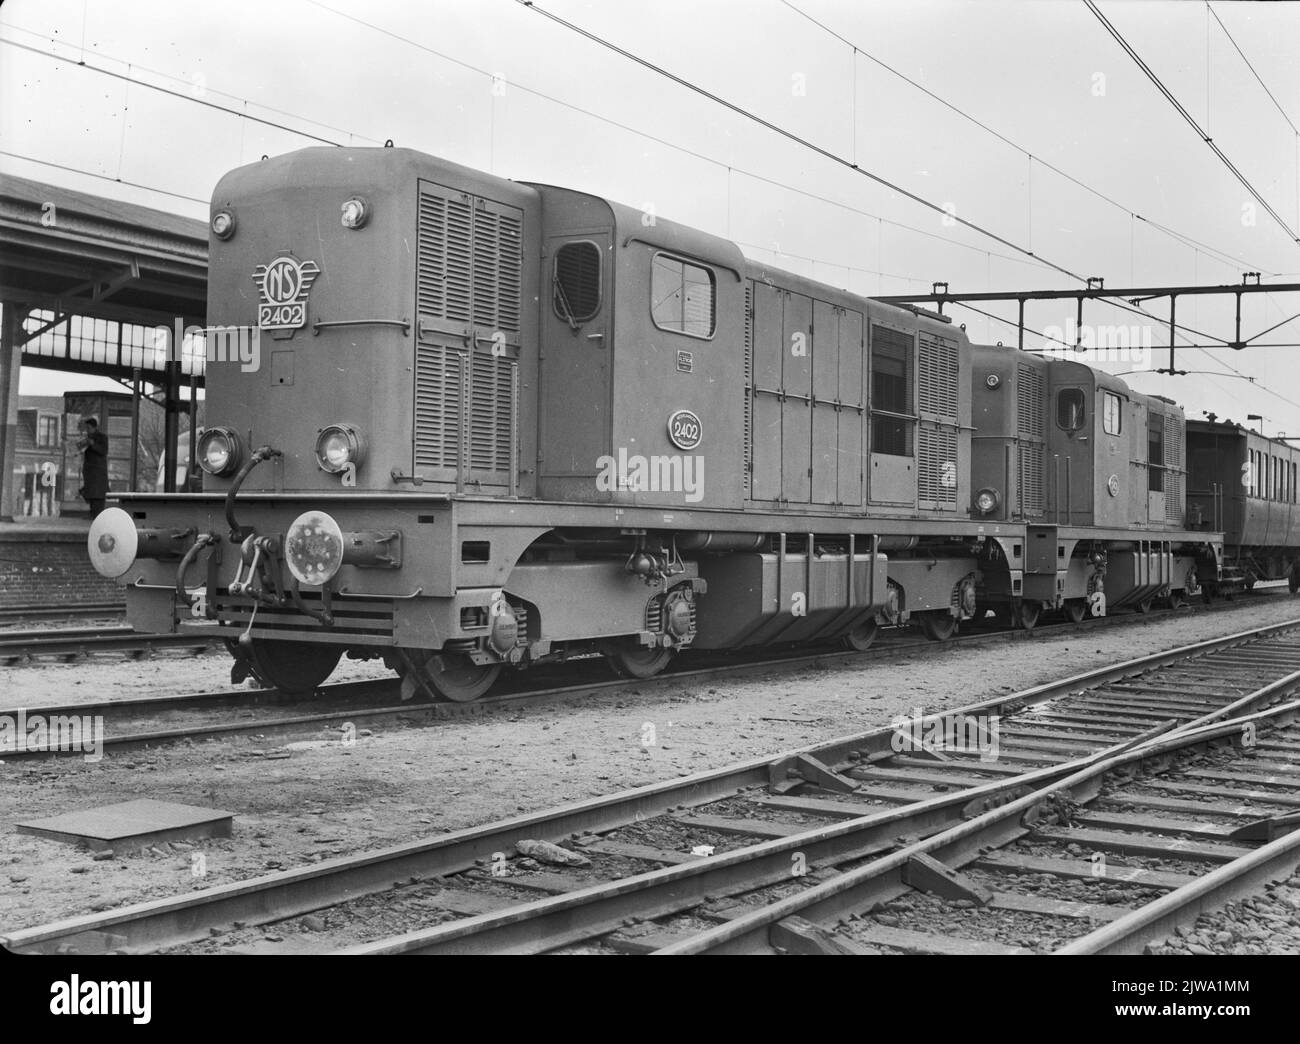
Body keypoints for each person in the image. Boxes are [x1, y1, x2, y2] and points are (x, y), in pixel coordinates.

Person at [76, 416, 109, 518]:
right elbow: (80, 449)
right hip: (89, 470)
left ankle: (97, 514)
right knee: (90, 492)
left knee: (98, 494)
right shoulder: (87, 438)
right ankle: (92, 512)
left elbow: (104, 451)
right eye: (86, 429)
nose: (87, 431)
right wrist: (81, 445)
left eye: (89, 428)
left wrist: (93, 444)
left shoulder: (102, 437)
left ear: (94, 427)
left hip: (98, 470)